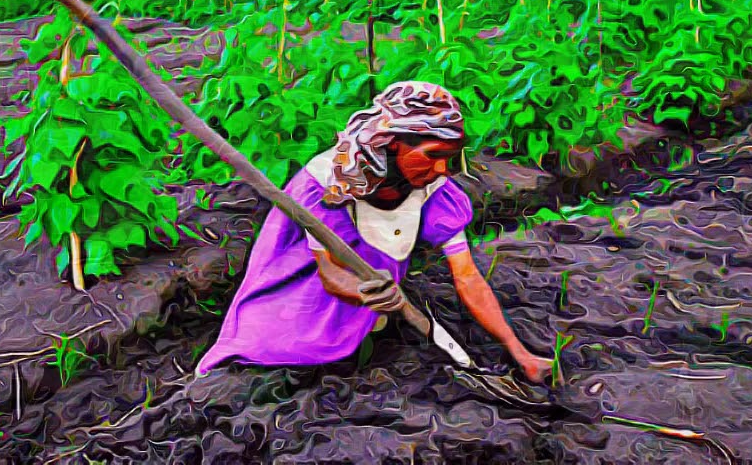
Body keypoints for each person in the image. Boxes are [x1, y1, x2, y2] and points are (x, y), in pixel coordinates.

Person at [195, 81, 553, 383]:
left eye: (450, 156)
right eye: (431, 155)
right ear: (393, 144)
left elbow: (467, 277)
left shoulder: (435, 189)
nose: (442, 168)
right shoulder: (329, 182)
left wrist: (519, 352)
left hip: (374, 288)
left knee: (366, 334)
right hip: (304, 282)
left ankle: (368, 325)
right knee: (282, 348)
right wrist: (368, 293)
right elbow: (331, 273)